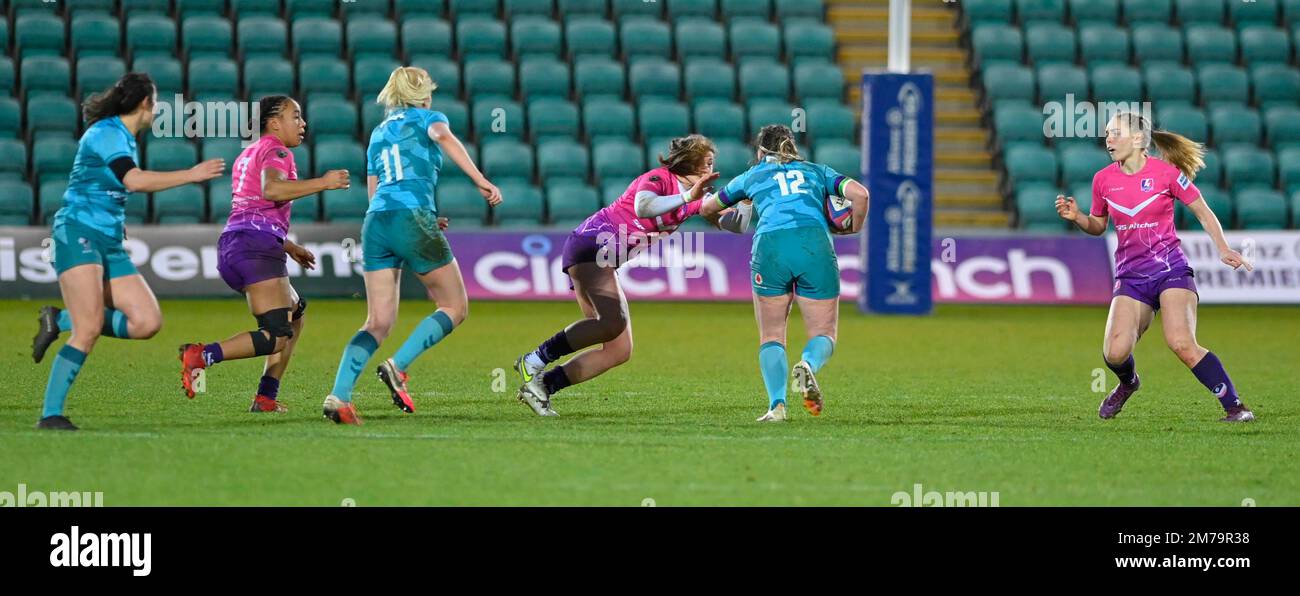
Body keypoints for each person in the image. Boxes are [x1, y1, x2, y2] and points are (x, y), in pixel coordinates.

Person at [29, 72, 225, 430]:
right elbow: (132, 180)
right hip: (77, 232)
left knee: (147, 322)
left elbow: (109, 188)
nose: (157, 109)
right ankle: (50, 414)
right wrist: (190, 174)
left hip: (108, 241)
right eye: (156, 102)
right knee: (88, 330)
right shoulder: (105, 133)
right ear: (146, 102)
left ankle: (60, 319)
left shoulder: (124, 137)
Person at [323, 66, 501, 425]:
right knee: (454, 306)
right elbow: (443, 137)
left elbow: (375, 191)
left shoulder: (378, 133)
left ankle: (338, 397)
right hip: (411, 217)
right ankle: (398, 366)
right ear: (423, 94)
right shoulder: (430, 118)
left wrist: (420, 217)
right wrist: (480, 179)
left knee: (377, 322)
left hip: (377, 222)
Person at [1055, 111, 1255, 422]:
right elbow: (1098, 225)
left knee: (1182, 343)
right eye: (1107, 134)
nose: (1108, 140)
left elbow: (1203, 212)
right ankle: (1128, 383)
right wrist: (1079, 218)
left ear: (1137, 138)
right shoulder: (1103, 180)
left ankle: (1236, 407)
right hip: (1131, 277)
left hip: (1170, 270)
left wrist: (1223, 247)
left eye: (1115, 133)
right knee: (1114, 353)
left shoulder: (1167, 174)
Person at [513, 135, 722, 417]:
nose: (711, 168)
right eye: (708, 162)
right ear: (692, 162)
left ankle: (543, 387)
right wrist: (688, 196)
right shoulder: (658, 179)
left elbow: (729, 220)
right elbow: (643, 207)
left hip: (604, 258)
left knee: (618, 349)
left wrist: (744, 201)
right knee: (612, 322)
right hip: (592, 243)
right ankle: (535, 359)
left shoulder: (692, 199)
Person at [178, 95, 350, 412]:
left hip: (235, 246)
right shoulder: (277, 151)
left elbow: (251, 210)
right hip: (255, 249)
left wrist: (289, 246)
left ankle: (266, 397)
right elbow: (272, 190)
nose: (303, 123)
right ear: (274, 123)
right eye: (295, 116)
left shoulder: (248, 154)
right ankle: (201, 356)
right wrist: (324, 183)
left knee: (295, 313)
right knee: (275, 336)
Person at [700, 125, 868, 422]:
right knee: (824, 333)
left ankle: (776, 407)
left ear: (760, 150)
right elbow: (861, 195)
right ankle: (807, 365)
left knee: (771, 336)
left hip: (770, 246)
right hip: (813, 243)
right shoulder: (817, 171)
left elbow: (707, 208)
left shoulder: (751, 177)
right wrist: (853, 226)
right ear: (791, 147)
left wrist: (724, 219)